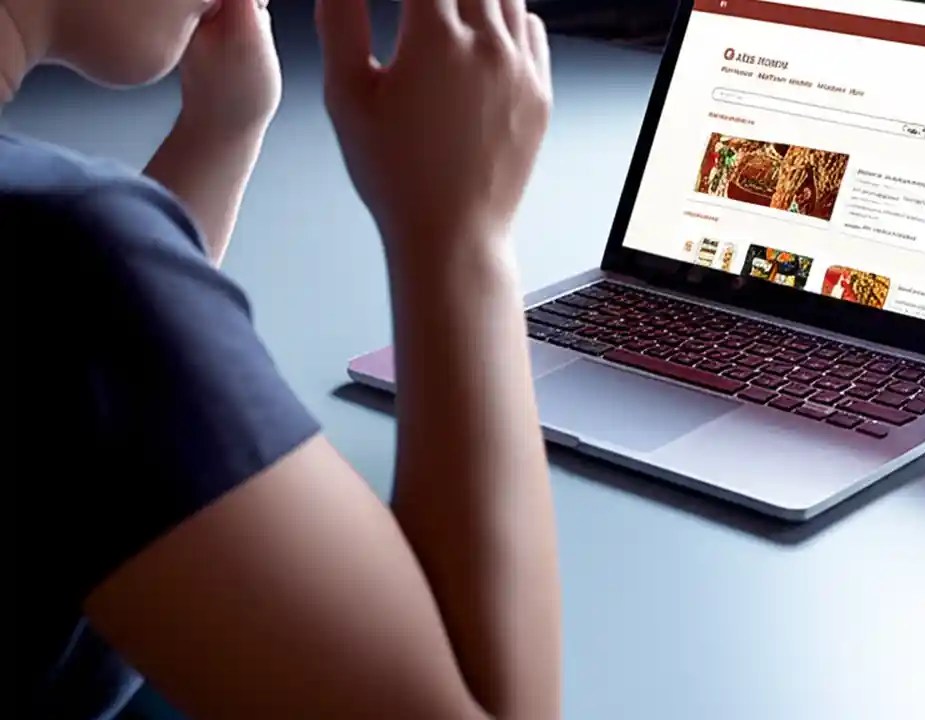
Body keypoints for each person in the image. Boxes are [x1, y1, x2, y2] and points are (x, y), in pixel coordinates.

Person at [5, 0, 561, 717]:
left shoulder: (59, 272)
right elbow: (84, 321)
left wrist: (222, 127)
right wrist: (460, 234)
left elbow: (75, 413)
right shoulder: (73, 264)